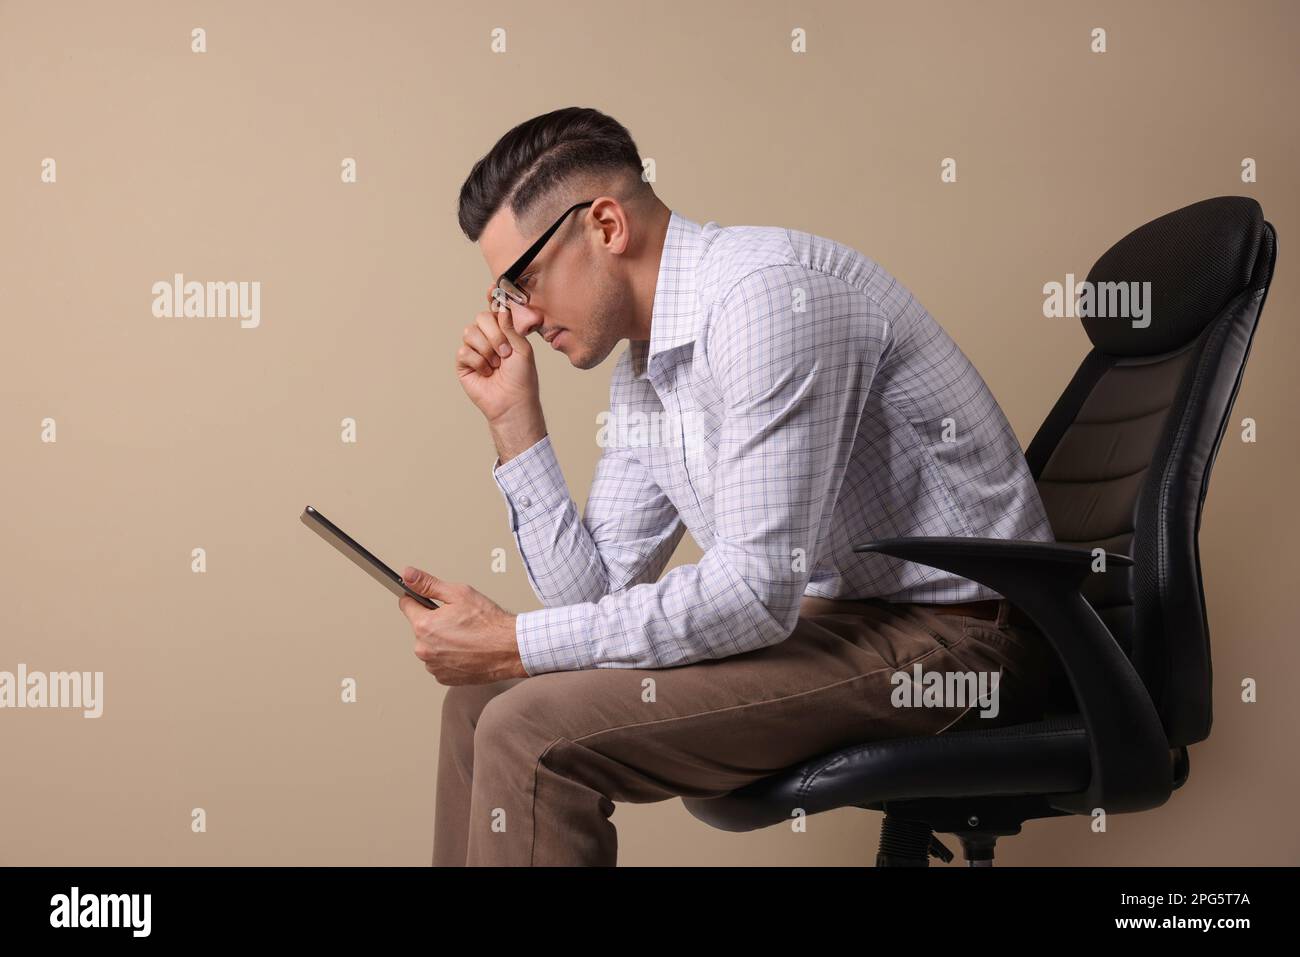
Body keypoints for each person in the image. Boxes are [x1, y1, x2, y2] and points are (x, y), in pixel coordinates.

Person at [397, 106, 1065, 866]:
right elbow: (595, 604)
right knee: (478, 705)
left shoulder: (769, 300)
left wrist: (513, 641)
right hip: (846, 619)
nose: (515, 319)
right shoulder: (645, 374)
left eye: (520, 281)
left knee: (529, 728)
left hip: (969, 642)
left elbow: (753, 595)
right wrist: (516, 421)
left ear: (606, 226)